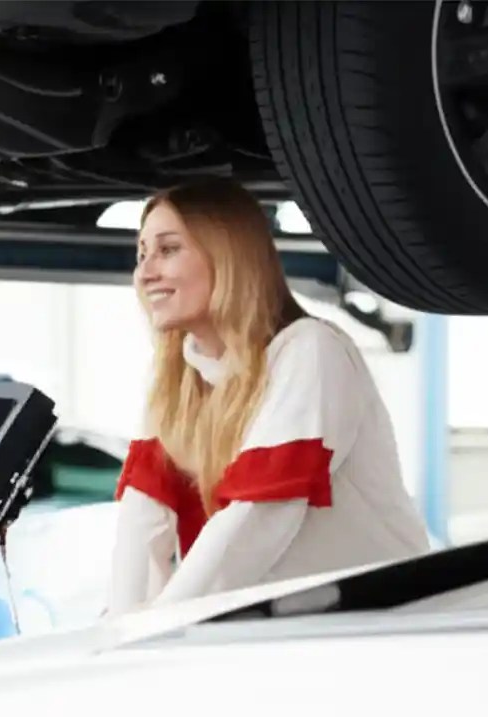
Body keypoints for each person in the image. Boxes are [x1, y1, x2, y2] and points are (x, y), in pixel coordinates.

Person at [107, 177, 430, 615]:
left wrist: (162, 623)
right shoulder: (178, 376)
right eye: (142, 254)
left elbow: (260, 518)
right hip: (287, 634)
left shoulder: (310, 351)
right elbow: (144, 519)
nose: (145, 273)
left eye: (167, 250)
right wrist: (120, 628)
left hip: (386, 627)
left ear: (229, 255)